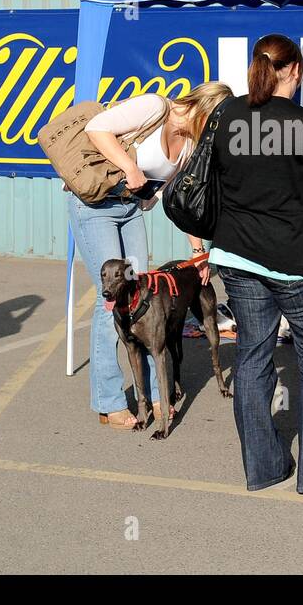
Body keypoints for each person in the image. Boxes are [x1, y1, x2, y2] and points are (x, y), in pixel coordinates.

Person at [209, 35, 303, 494]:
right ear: (295, 71)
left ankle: (264, 467)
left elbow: (212, 179)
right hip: (294, 260)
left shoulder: (226, 115)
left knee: (252, 356)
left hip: (236, 255)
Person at [70, 82, 233, 430]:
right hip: (94, 204)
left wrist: (197, 251)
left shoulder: (189, 144)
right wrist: (130, 168)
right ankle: (109, 402)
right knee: (111, 300)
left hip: (130, 210)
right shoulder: (154, 107)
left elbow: (184, 198)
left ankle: (156, 395)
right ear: (204, 110)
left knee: (144, 299)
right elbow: (96, 129)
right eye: (216, 121)